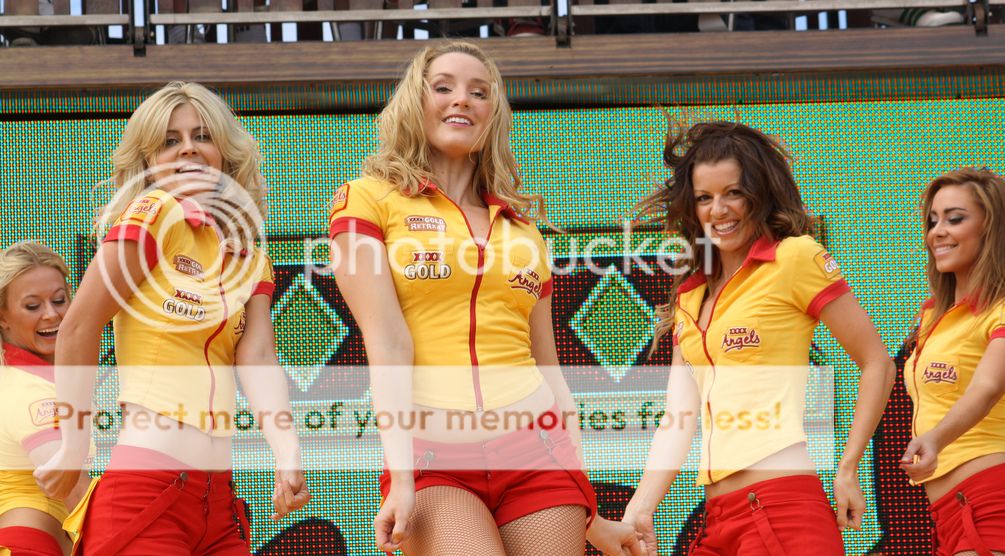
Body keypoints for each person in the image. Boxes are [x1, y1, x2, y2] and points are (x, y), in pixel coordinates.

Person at [329, 41, 641, 556]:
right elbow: (386, 342)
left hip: (537, 453)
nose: (462, 101)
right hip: (434, 452)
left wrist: (593, 513)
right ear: (415, 101)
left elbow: (549, 371)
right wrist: (401, 478)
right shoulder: (368, 199)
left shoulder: (524, 231)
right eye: (444, 87)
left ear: (493, 114)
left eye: (479, 92)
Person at [33, 81, 309, 554]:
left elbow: (260, 359)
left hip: (218, 500)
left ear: (225, 151)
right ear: (147, 163)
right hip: (146, 485)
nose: (188, 150)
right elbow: (79, 325)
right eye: (169, 141)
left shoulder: (251, 255)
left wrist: (288, 454)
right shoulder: (155, 211)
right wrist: (75, 445)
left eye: (202, 136)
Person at [623, 120, 896, 554]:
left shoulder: (794, 257)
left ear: (760, 193)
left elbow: (877, 362)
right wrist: (640, 508)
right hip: (717, 521)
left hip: (783, 510)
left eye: (733, 192)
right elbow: (679, 416)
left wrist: (849, 466)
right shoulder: (690, 296)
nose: (719, 210)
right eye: (704, 198)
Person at [899, 167, 1005, 556]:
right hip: (947, 511)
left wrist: (934, 440)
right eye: (933, 220)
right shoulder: (932, 315)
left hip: (990, 503)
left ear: (993, 229)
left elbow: (986, 389)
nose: (937, 231)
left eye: (955, 219)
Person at [0, 242, 90, 556]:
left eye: (59, 300)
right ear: (3, 317)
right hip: (30, 544)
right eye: (32, 306)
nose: (51, 314)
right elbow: (72, 486)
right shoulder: (29, 390)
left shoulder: (33, 378)